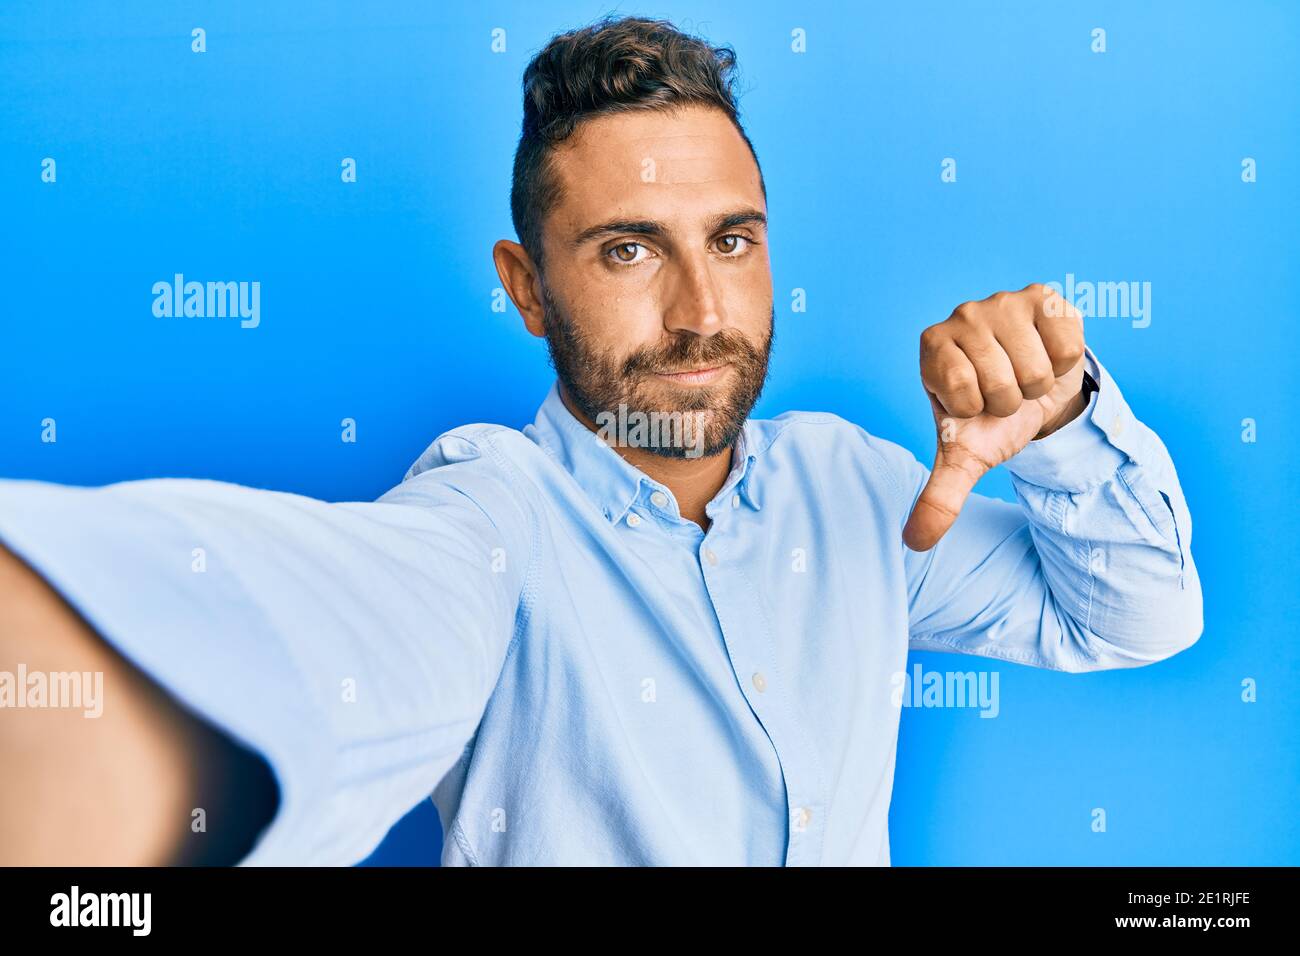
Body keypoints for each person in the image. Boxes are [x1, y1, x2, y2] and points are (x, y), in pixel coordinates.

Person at [0, 15, 1201, 866]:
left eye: (732, 240)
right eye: (629, 249)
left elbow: (1137, 617)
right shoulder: (489, 516)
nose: (701, 312)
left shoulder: (854, 486)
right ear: (526, 287)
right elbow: (341, 619)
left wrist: (1060, 427)